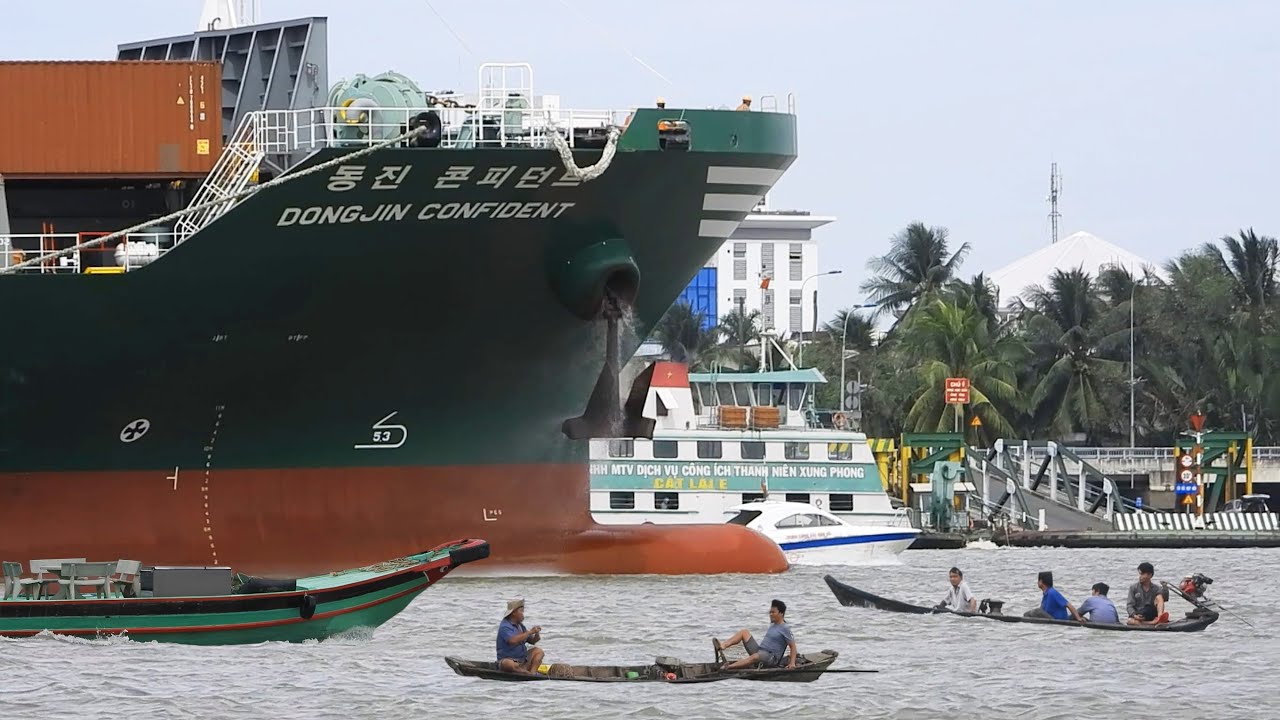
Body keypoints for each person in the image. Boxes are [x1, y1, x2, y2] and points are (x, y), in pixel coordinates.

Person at [715, 599, 797, 670]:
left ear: (781, 613)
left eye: (773, 612)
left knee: (755, 656)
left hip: (771, 658)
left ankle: (729, 667)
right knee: (744, 632)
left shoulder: (785, 628)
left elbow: (793, 646)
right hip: (760, 651)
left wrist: (792, 663)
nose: (770, 614)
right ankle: (723, 646)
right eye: (770, 612)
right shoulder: (773, 624)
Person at [496, 598, 544, 673]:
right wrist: (530, 632)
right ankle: (524, 672)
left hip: (523, 661)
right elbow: (512, 640)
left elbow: (532, 641)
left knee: (538, 651)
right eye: (521, 611)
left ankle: (532, 673)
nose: (523, 614)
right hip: (509, 661)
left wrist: (536, 633)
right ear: (514, 613)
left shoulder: (520, 626)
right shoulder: (505, 626)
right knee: (508, 664)